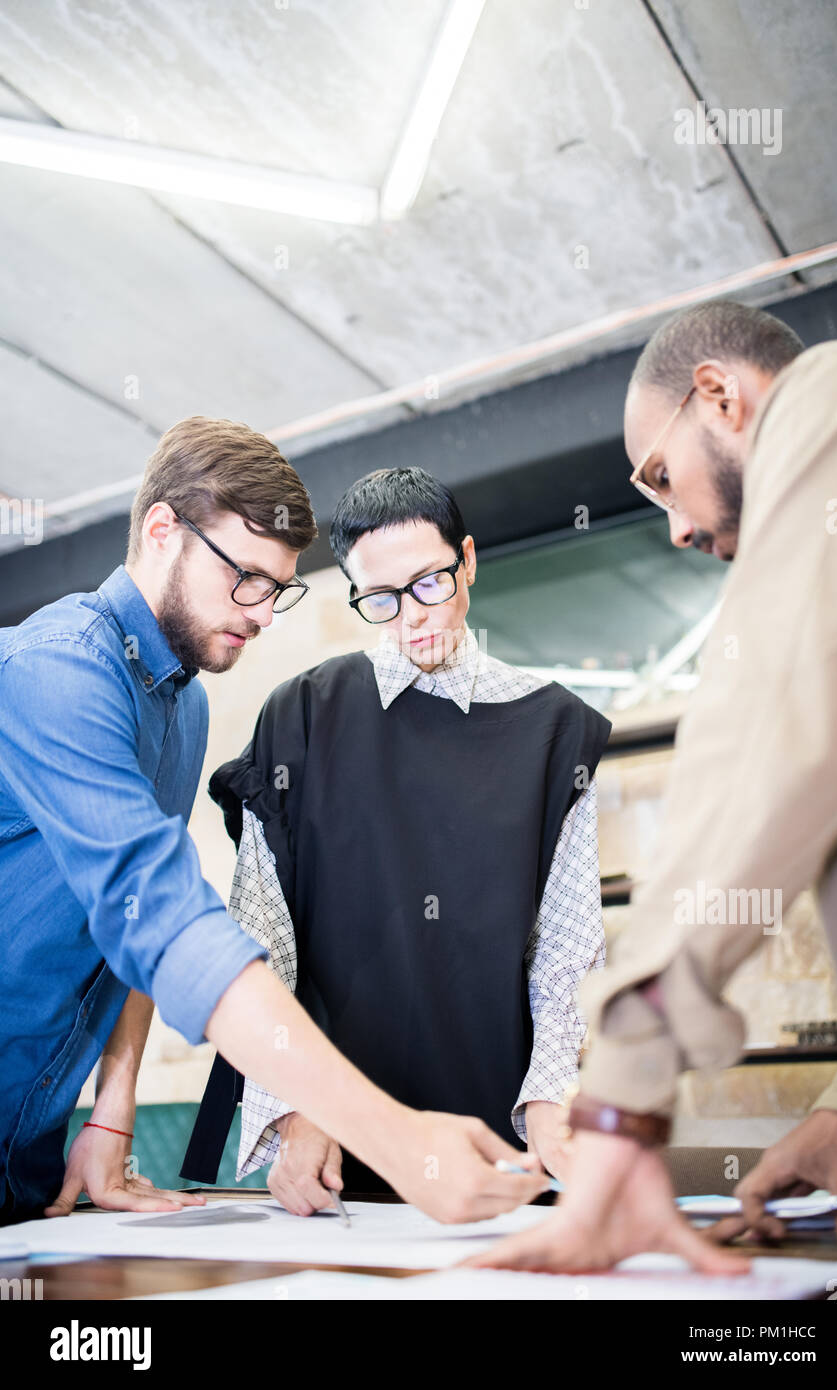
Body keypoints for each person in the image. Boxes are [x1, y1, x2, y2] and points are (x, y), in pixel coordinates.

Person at [0, 417, 545, 1226]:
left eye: (279, 588)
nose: (262, 612)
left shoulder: (180, 705)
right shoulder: (55, 671)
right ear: (162, 531)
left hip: (30, 1146)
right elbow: (173, 928)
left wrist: (112, 1115)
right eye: (246, 577)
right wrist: (395, 1141)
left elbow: (137, 932)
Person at [467, 301, 837, 1273]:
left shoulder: (835, 389)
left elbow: (775, 729)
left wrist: (623, 1089)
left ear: (719, 395)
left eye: (660, 478)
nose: (677, 526)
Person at [182, 467, 611, 1214]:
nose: (411, 617)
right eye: (379, 599)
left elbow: (565, 951)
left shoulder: (556, 733)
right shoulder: (303, 717)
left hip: (498, 1148)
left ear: (467, 561)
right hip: (337, 1148)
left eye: (429, 584)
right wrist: (293, 1107)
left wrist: (549, 1097)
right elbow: (261, 940)